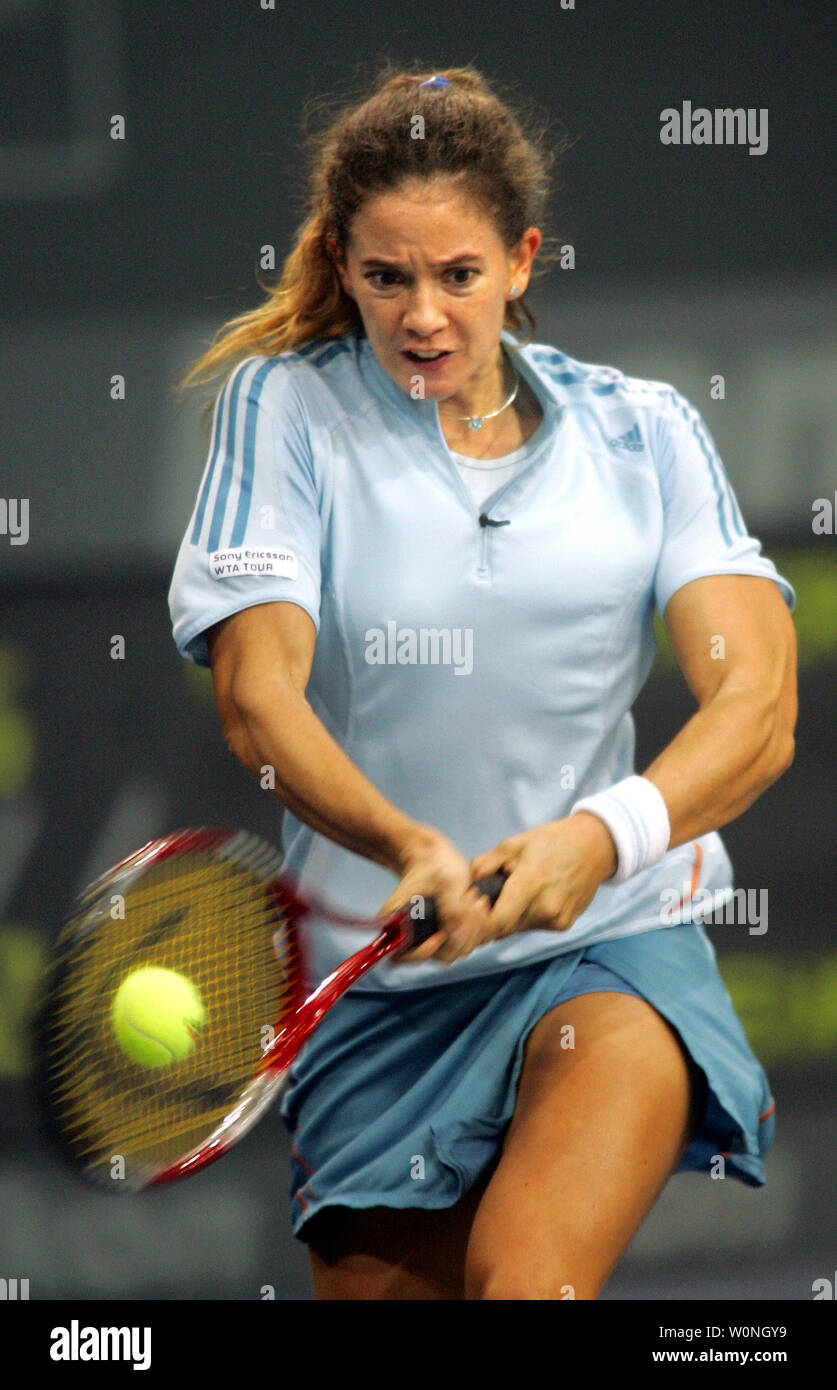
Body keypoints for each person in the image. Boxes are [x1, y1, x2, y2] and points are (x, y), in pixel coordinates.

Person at [168, 64, 798, 1300]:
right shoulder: (285, 411)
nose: (423, 316)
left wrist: (597, 840)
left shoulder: (646, 431)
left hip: (610, 945)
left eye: (458, 275)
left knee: (527, 1287)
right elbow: (259, 696)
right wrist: (405, 841)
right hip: (378, 984)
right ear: (340, 264)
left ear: (520, 260)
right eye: (386, 276)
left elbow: (757, 707)